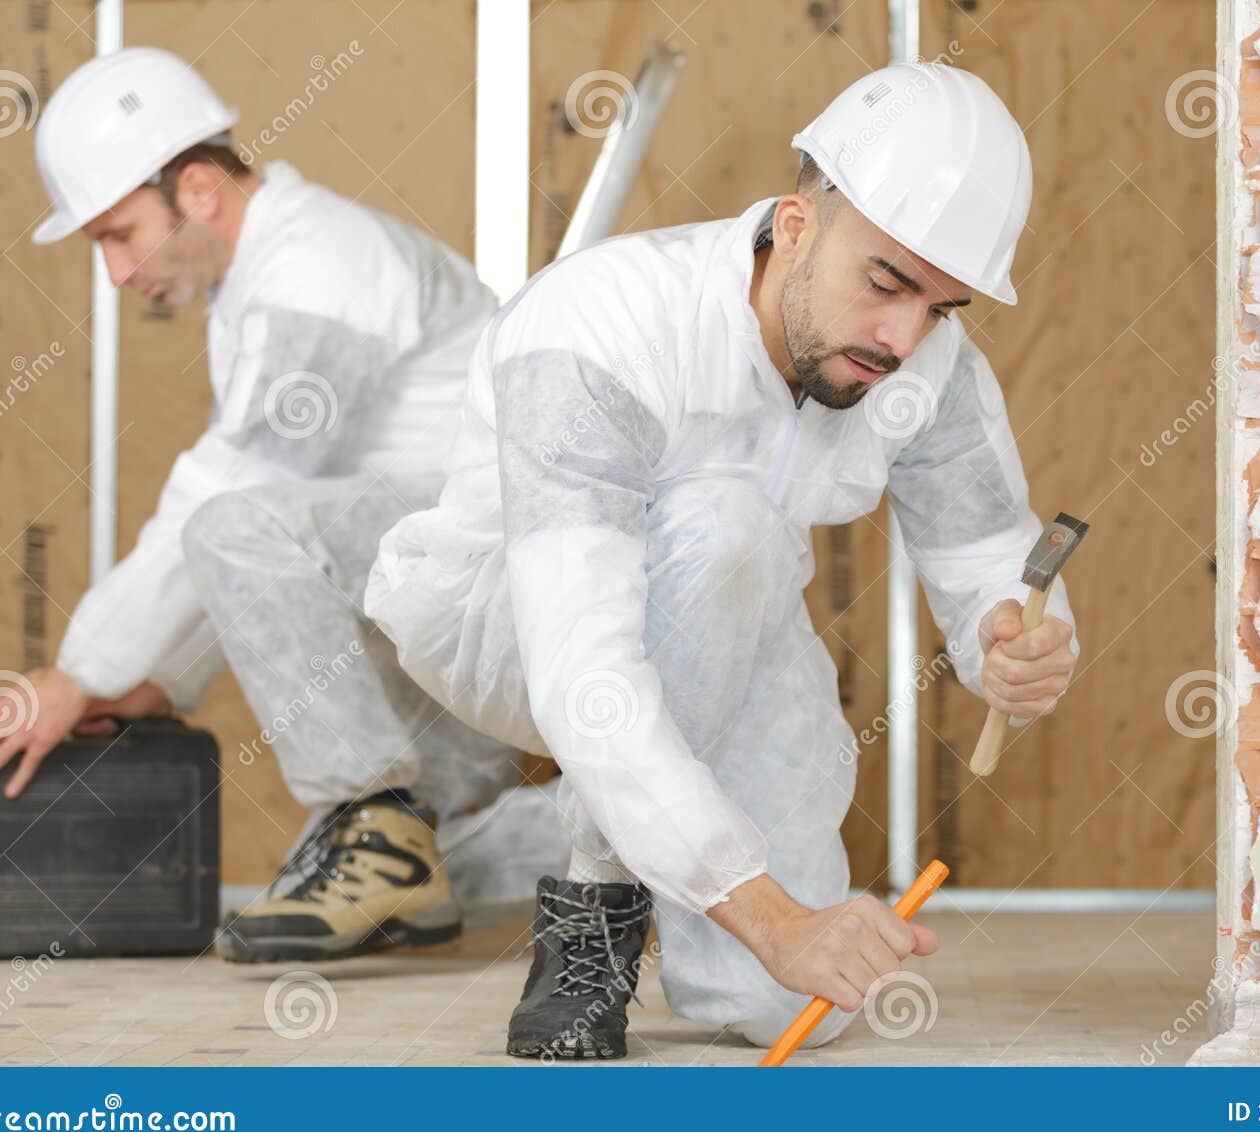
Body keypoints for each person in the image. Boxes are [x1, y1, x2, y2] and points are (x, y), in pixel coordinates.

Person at [365, 62, 1080, 1058]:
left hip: (729, 605)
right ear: (794, 224)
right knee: (728, 523)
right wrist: (775, 915)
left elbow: (993, 557)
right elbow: (588, 672)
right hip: (505, 624)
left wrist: (1011, 637)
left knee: (789, 1004)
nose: (901, 337)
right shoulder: (598, 325)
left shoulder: (924, 364)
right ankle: (591, 898)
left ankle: (524, 842)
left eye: (942, 306)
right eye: (885, 282)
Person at [0, 46, 566, 963]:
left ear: (197, 188)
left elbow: (238, 503)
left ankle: (379, 823)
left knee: (233, 519)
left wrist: (81, 669)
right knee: (437, 865)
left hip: (499, 588)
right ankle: (437, 843)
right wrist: (154, 682)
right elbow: (283, 526)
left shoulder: (317, 264)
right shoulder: (263, 284)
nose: (116, 275)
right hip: (437, 596)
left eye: (119, 235)